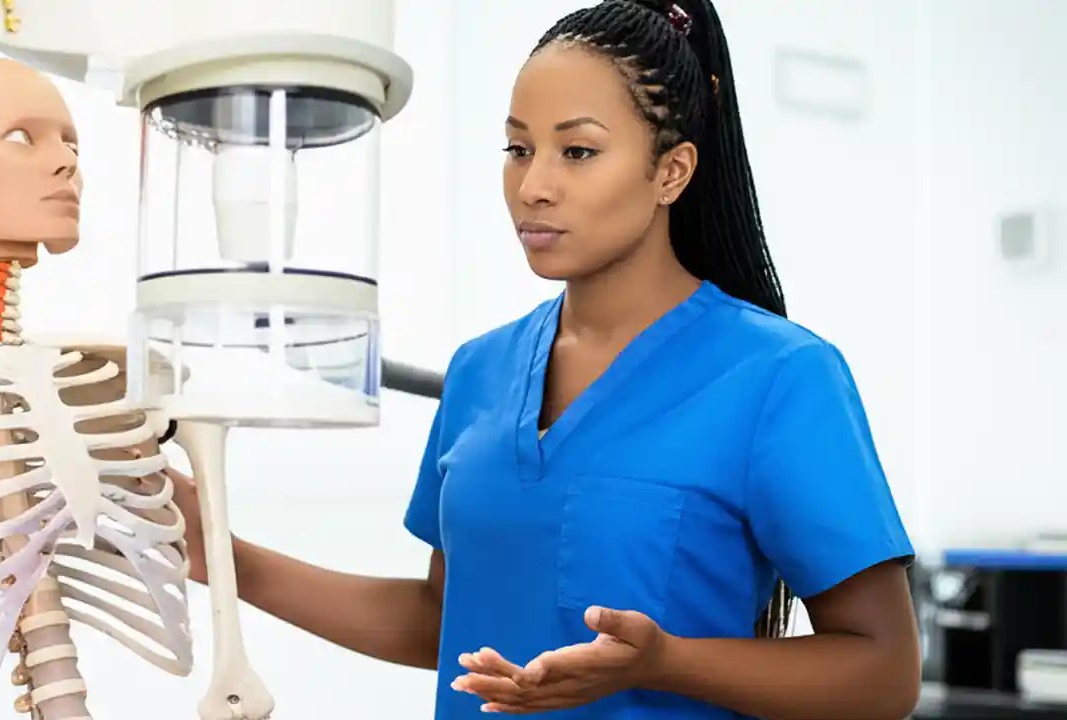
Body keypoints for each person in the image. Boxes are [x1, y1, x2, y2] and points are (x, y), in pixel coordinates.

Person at [172, 0, 921, 718]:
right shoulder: (480, 371)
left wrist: (667, 662)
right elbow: (444, 620)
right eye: (519, 148)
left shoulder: (779, 377)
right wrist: (225, 555)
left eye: (579, 152)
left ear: (672, 172)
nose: (533, 187)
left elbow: (884, 674)